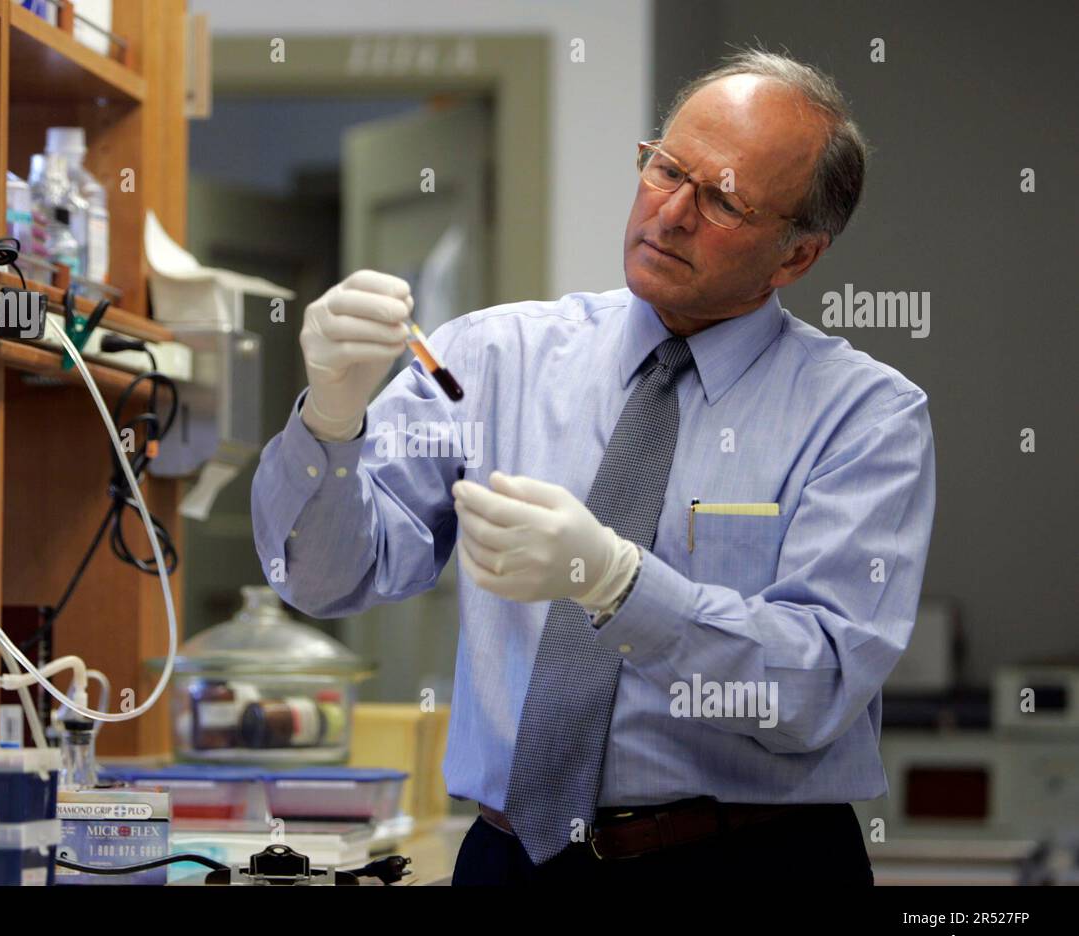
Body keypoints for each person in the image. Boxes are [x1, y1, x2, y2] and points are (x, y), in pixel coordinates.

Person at [250, 47, 935, 885]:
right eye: (666, 169)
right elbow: (321, 579)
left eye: (721, 199)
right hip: (511, 857)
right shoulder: (490, 358)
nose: (672, 212)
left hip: (748, 860)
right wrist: (329, 418)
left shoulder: (865, 415)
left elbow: (818, 685)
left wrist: (619, 583)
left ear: (796, 256)